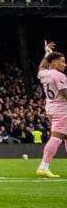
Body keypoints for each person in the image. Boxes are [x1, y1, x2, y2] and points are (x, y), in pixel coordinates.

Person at [36, 42, 66, 178]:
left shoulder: (44, 74)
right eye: (62, 62)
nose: (65, 65)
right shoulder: (59, 76)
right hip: (62, 110)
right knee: (56, 138)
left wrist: (47, 52)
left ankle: (44, 166)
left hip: (51, 108)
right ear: (54, 63)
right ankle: (43, 166)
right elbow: (65, 94)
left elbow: (42, 65)